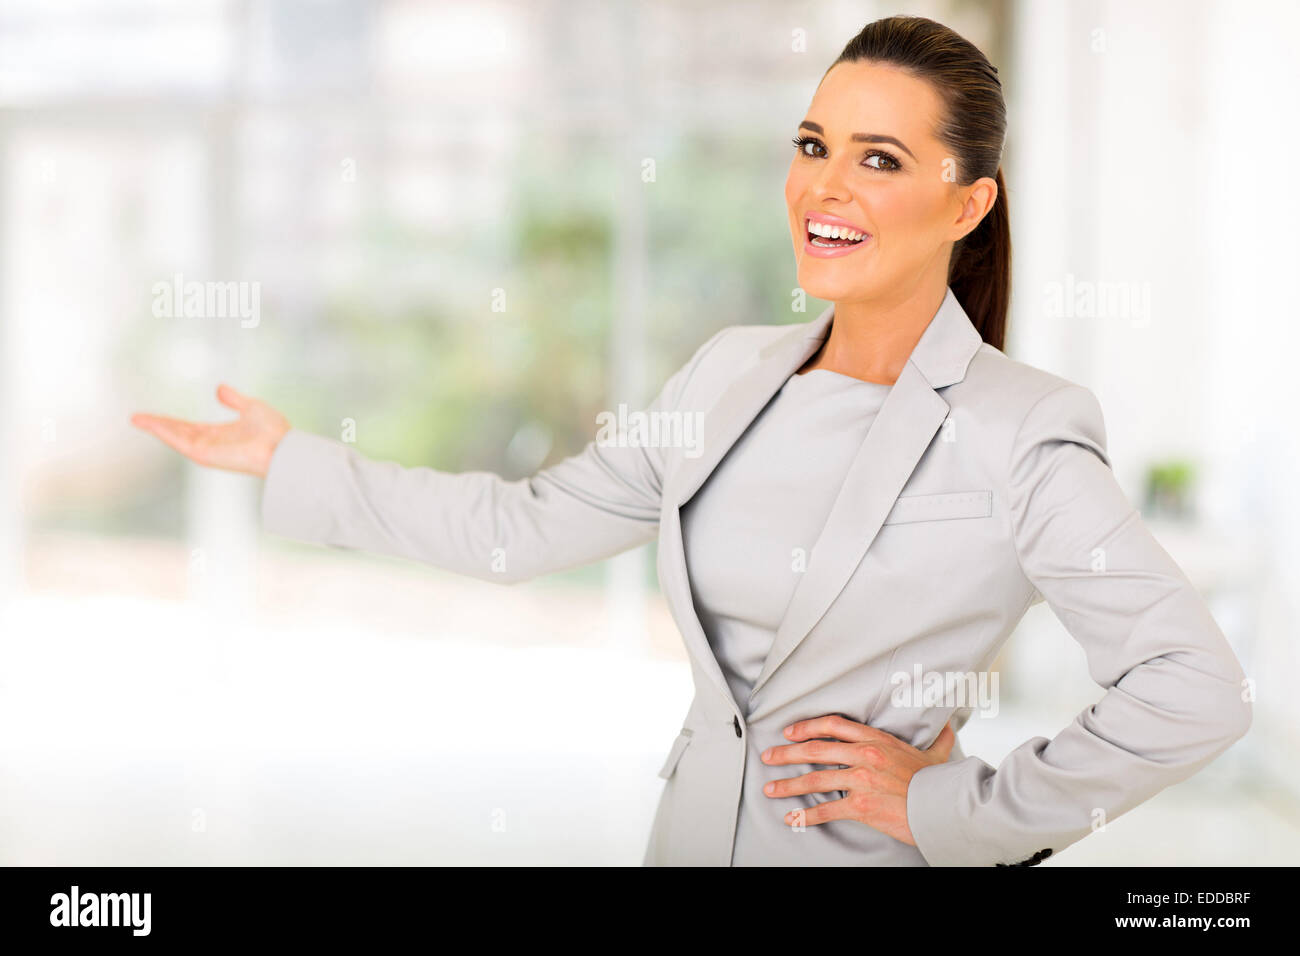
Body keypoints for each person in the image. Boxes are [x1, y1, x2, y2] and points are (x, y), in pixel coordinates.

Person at [132, 15, 1251, 866]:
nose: (824, 183)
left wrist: (953, 806)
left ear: (965, 206)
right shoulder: (726, 374)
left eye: (879, 159)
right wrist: (293, 462)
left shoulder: (1020, 427)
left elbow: (1190, 688)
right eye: (815, 143)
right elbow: (519, 529)